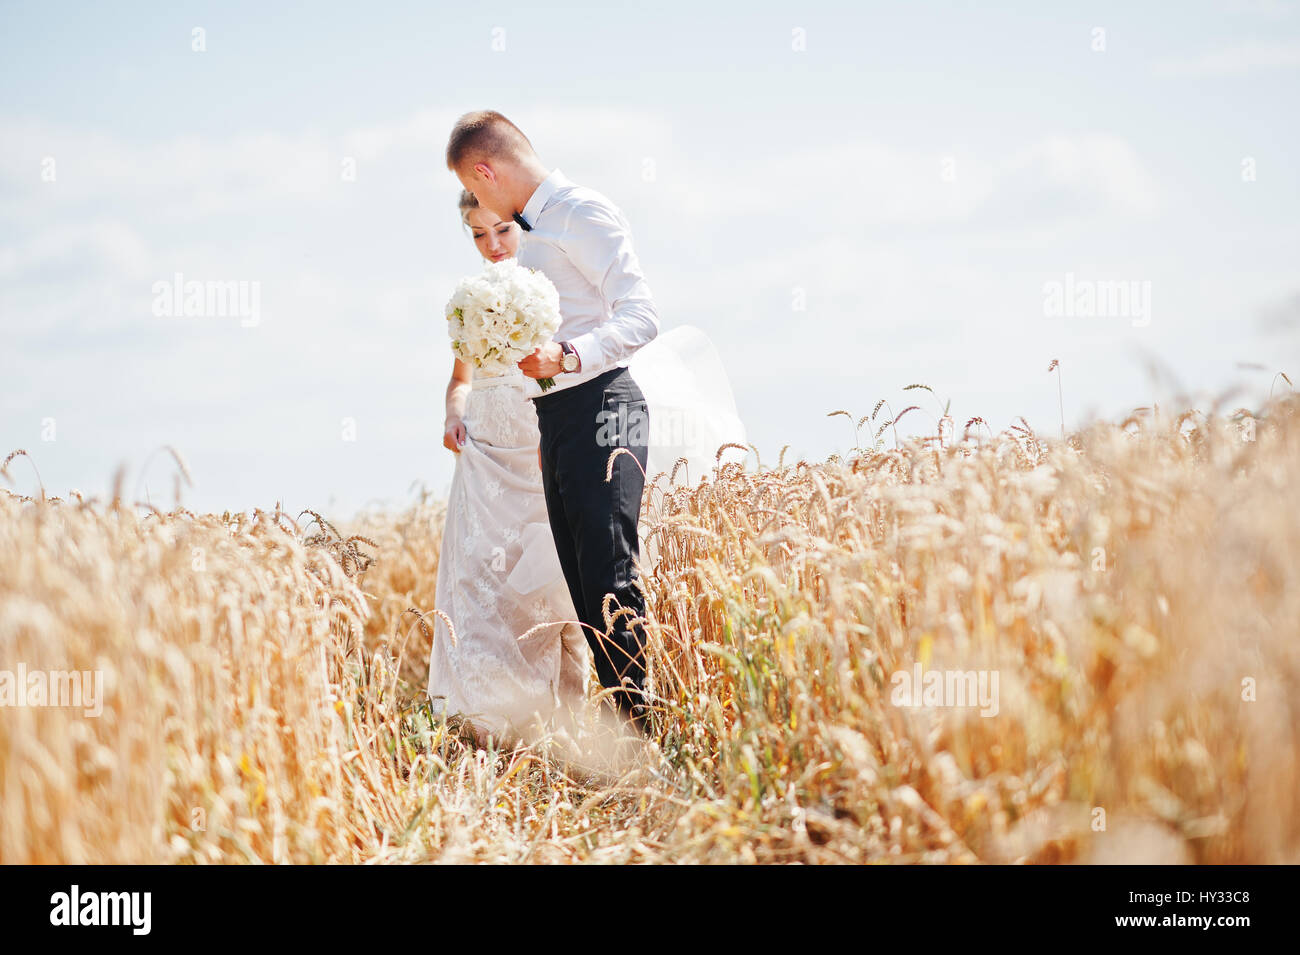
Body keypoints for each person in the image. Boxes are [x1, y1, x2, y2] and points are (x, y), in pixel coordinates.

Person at [446, 110, 661, 734]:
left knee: (608, 570)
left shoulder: (582, 211)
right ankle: (625, 732)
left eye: (477, 188)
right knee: (579, 579)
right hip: (557, 418)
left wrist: (567, 356)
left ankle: (647, 732)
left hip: (605, 406)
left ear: (485, 171)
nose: (482, 205)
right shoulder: (531, 233)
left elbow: (642, 314)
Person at [425, 189, 590, 748]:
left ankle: (555, 718)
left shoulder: (549, 290)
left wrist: (556, 431)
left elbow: (566, 371)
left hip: (537, 444)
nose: (492, 245)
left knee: (540, 579)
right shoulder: (471, 300)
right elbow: (461, 379)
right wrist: (453, 417)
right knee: (479, 578)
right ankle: (487, 719)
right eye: (478, 235)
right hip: (485, 452)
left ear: (521, 225)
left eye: (502, 230)